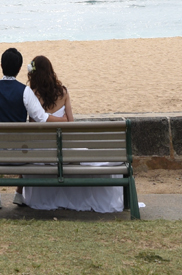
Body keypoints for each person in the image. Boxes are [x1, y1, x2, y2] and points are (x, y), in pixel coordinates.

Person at [18, 54, 123, 214]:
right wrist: (63, 120)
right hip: (63, 148)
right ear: (50, 71)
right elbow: (71, 125)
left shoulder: (33, 95)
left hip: (43, 152)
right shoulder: (63, 92)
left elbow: (34, 128)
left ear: (33, 74)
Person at [0, 47, 48, 208]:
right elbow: (41, 118)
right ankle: (18, 193)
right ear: (19, 69)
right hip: (21, 155)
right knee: (30, 146)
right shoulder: (25, 91)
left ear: (1, 65)